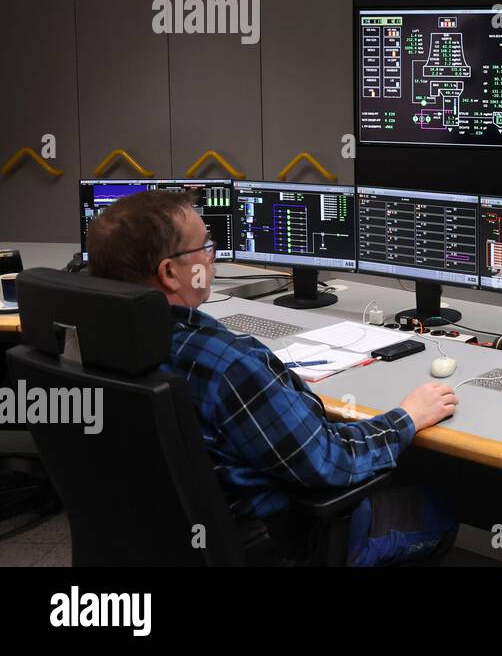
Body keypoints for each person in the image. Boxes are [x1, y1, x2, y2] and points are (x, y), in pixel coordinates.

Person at [86, 189, 457, 565]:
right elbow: (329, 463)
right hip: (279, 542)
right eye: (205, 247)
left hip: (154, 542)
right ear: (169, 272)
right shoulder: (223, 365)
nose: (212, 260)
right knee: (440, 507)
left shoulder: (88, 342)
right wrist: (406, 418)